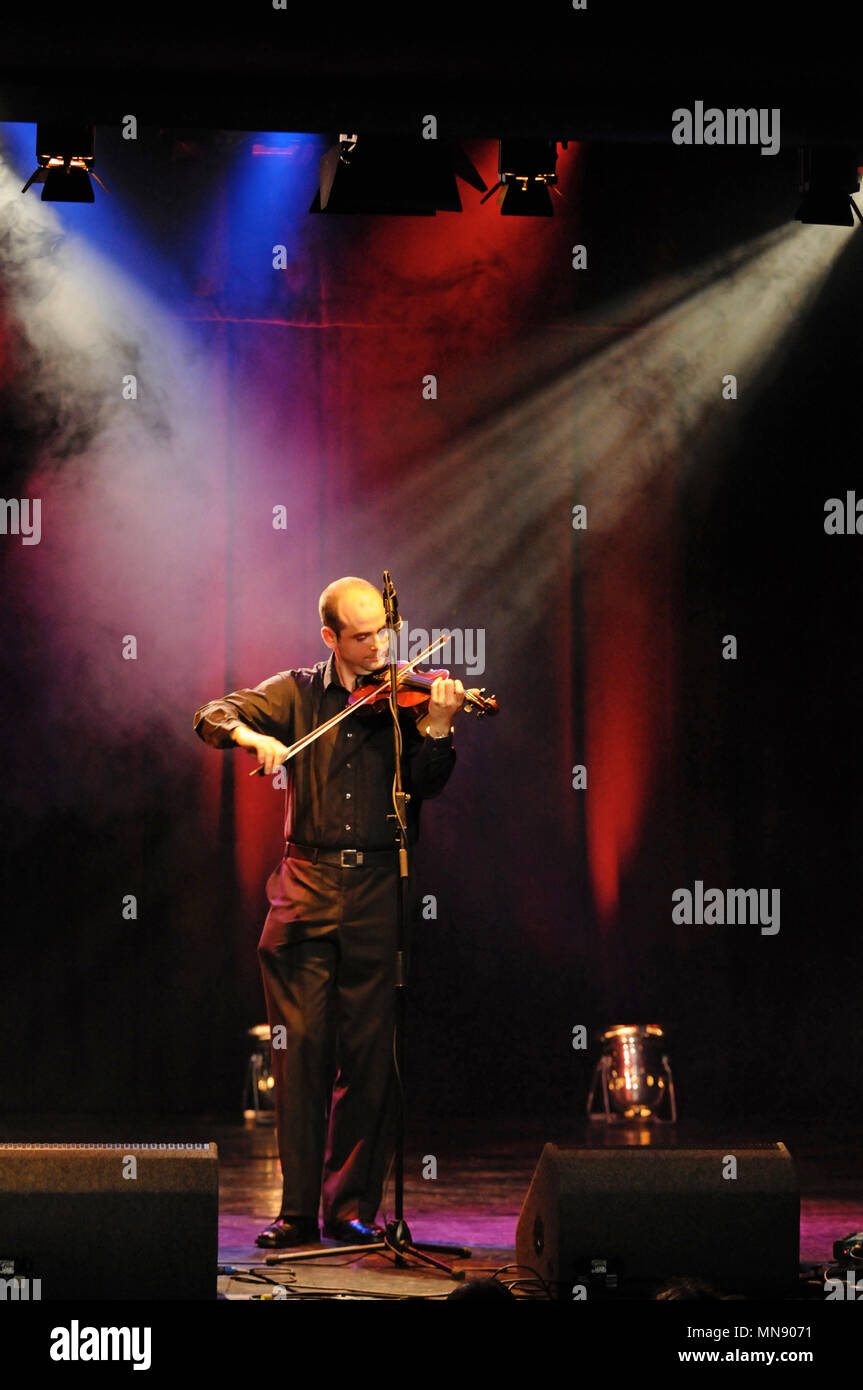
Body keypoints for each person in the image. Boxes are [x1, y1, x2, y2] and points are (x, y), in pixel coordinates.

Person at [193, 577, 465, 1247]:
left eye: (383, 632)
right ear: (331, 639)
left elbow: (427, 785)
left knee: (370, 1057)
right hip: (306, 888)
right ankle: (295, 1211)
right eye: (362, 636)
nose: (378, 647)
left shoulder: (405, 697)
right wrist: (253, 739)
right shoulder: (298, 691)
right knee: (300, 1055)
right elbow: (210, 714)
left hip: (378, 889)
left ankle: (351, 1208)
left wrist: (435, 725)